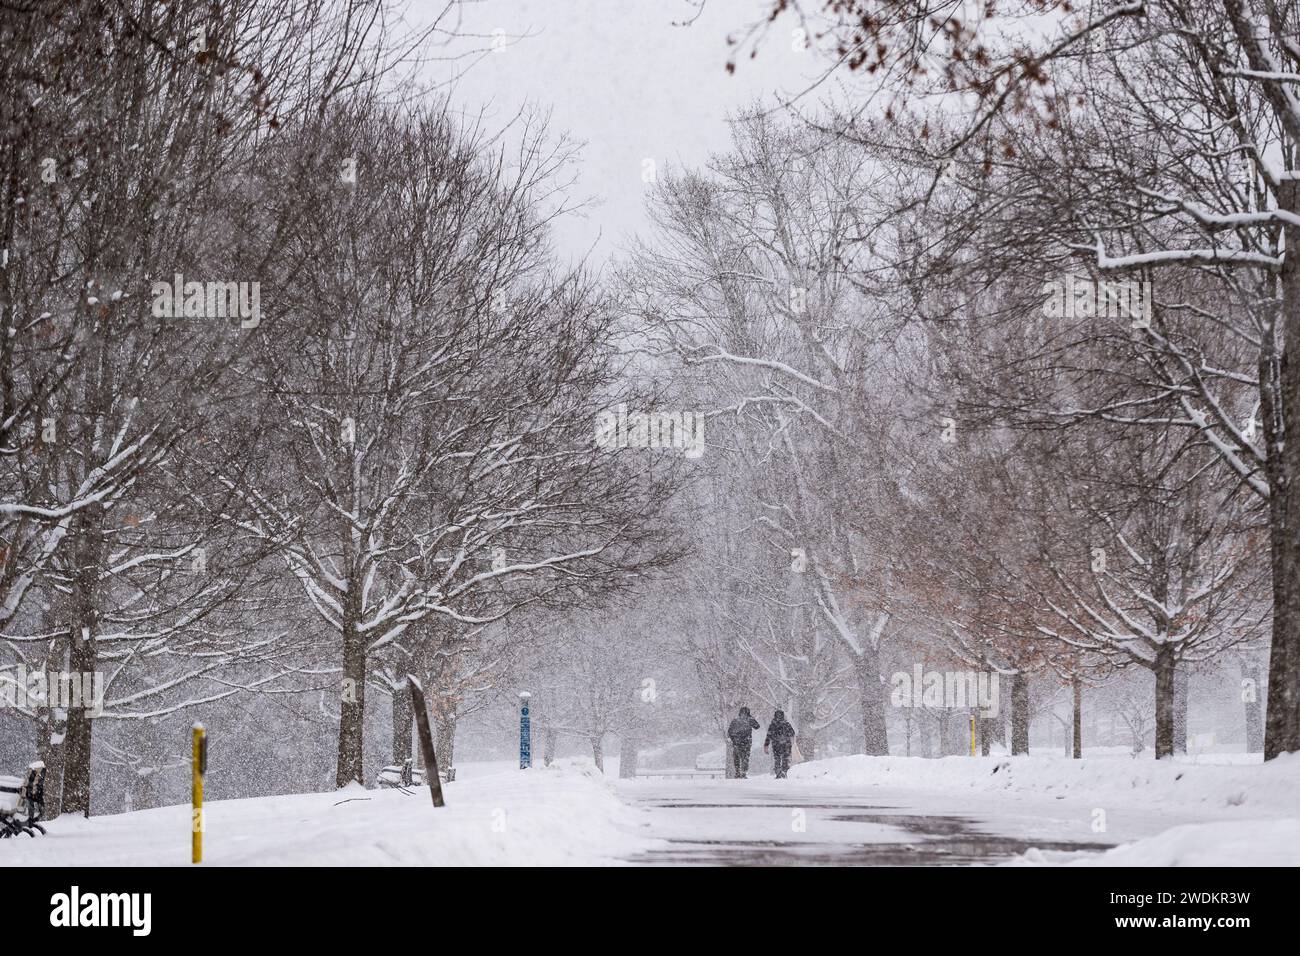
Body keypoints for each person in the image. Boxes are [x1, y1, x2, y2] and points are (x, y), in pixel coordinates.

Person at [726, 706, 760, 777]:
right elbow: (757, 726)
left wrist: (733, 739)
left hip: (737, 743)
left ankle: (737, 772)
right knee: (745, 758)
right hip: (746, 742)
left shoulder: (735, 720)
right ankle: (743, 772)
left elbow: (730, 731)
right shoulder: (750, 719)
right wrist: (751, 717)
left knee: (737, 758)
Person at [764, 710, 797, 779]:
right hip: (786, 744)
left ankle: (778, 772)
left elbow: (768, 735)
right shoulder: (786, 724)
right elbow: (792, 733)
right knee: (785, 758)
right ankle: (784, 772)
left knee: (777, 759)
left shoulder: (772, 725)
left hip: (776, 745)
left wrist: (766, 745)